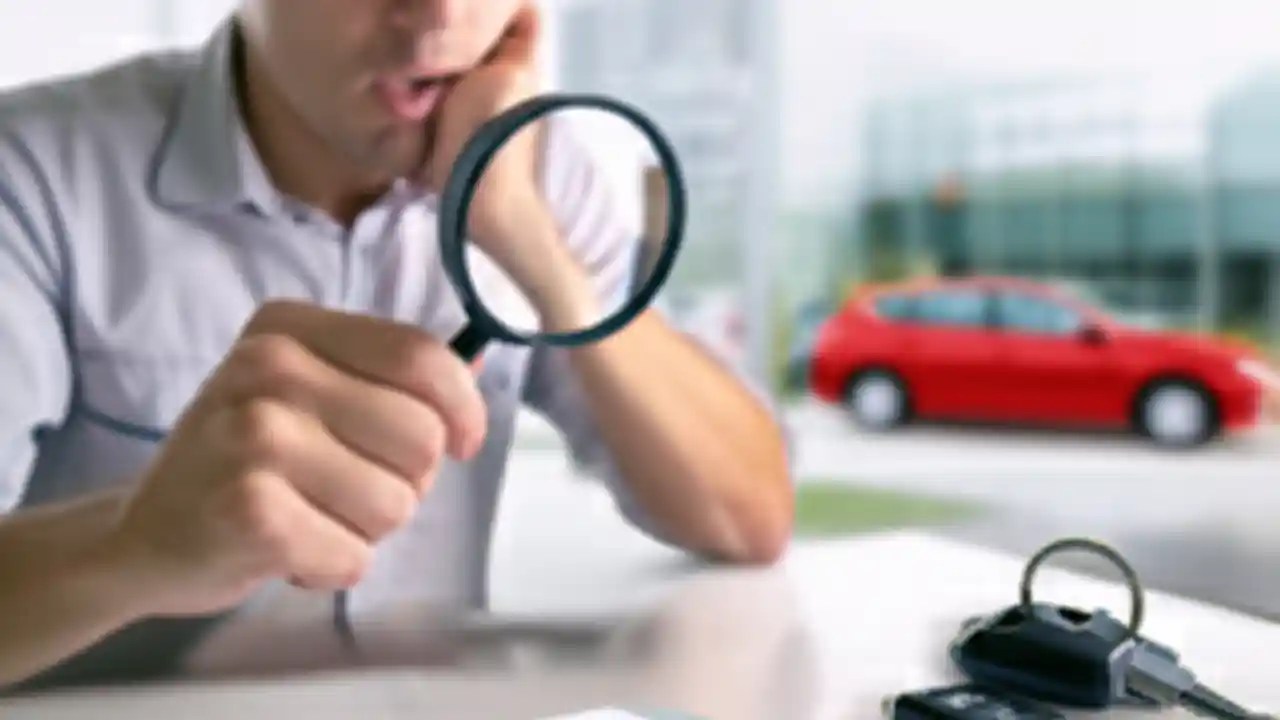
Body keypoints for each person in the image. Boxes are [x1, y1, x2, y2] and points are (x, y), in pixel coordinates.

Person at [0, 0, 793, 689]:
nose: (440, 17)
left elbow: (749, 516)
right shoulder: (30, 178)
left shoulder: (534, 172)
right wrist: (137, 544)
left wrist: (530, 244)